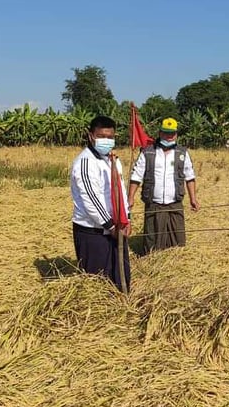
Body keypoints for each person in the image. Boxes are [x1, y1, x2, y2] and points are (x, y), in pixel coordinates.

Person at [70, 115, 131, 291]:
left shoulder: (113, 160)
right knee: (97, 286)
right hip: (94, 231)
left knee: (120, 279)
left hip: (116, 228)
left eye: (110, 137)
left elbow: (121, 191)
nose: (106, 140)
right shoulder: (85, 162)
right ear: (91, 136)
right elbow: (91, 198)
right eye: (101, 136)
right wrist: (110, 225)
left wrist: (126, 219)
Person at [128, 117, 200, 254]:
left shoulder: (182, 153)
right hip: (153, 203)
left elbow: (189, 177)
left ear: (176, 134)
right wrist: (130, 197)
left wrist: (193, 198)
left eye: (172, 133)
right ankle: (151, 259)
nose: (169, 137)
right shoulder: (148, 152)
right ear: (160, 133)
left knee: (177, 238)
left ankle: (174, 261)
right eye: (166, 133)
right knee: (152, 238)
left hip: (175, 203)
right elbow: (136, 176)